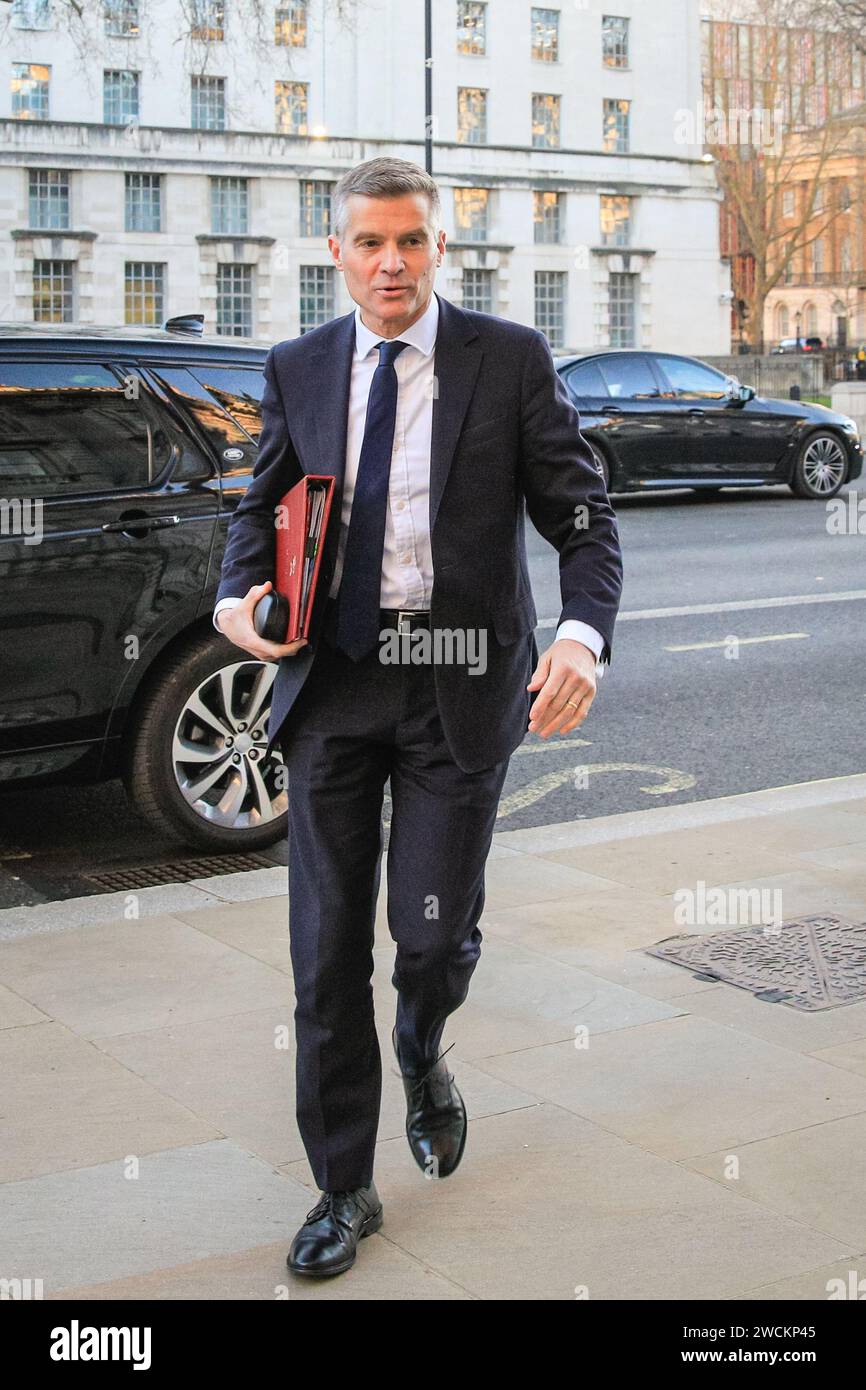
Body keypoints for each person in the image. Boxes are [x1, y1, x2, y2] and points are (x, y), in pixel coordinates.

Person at [213, 156, 623, 1278]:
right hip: (335, 686)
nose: (389, 262)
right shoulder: (298, 366)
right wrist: (236, 600)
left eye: (409, 240)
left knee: (431, 934)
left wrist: (581, 638)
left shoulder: (508, 360)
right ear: (336, 252)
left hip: (457, 684)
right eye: (367, 242)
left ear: (440, 247)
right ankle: (344, 1185)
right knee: (323, 950)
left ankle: (423, 1043)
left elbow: (582, 519)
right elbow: (260, 510)